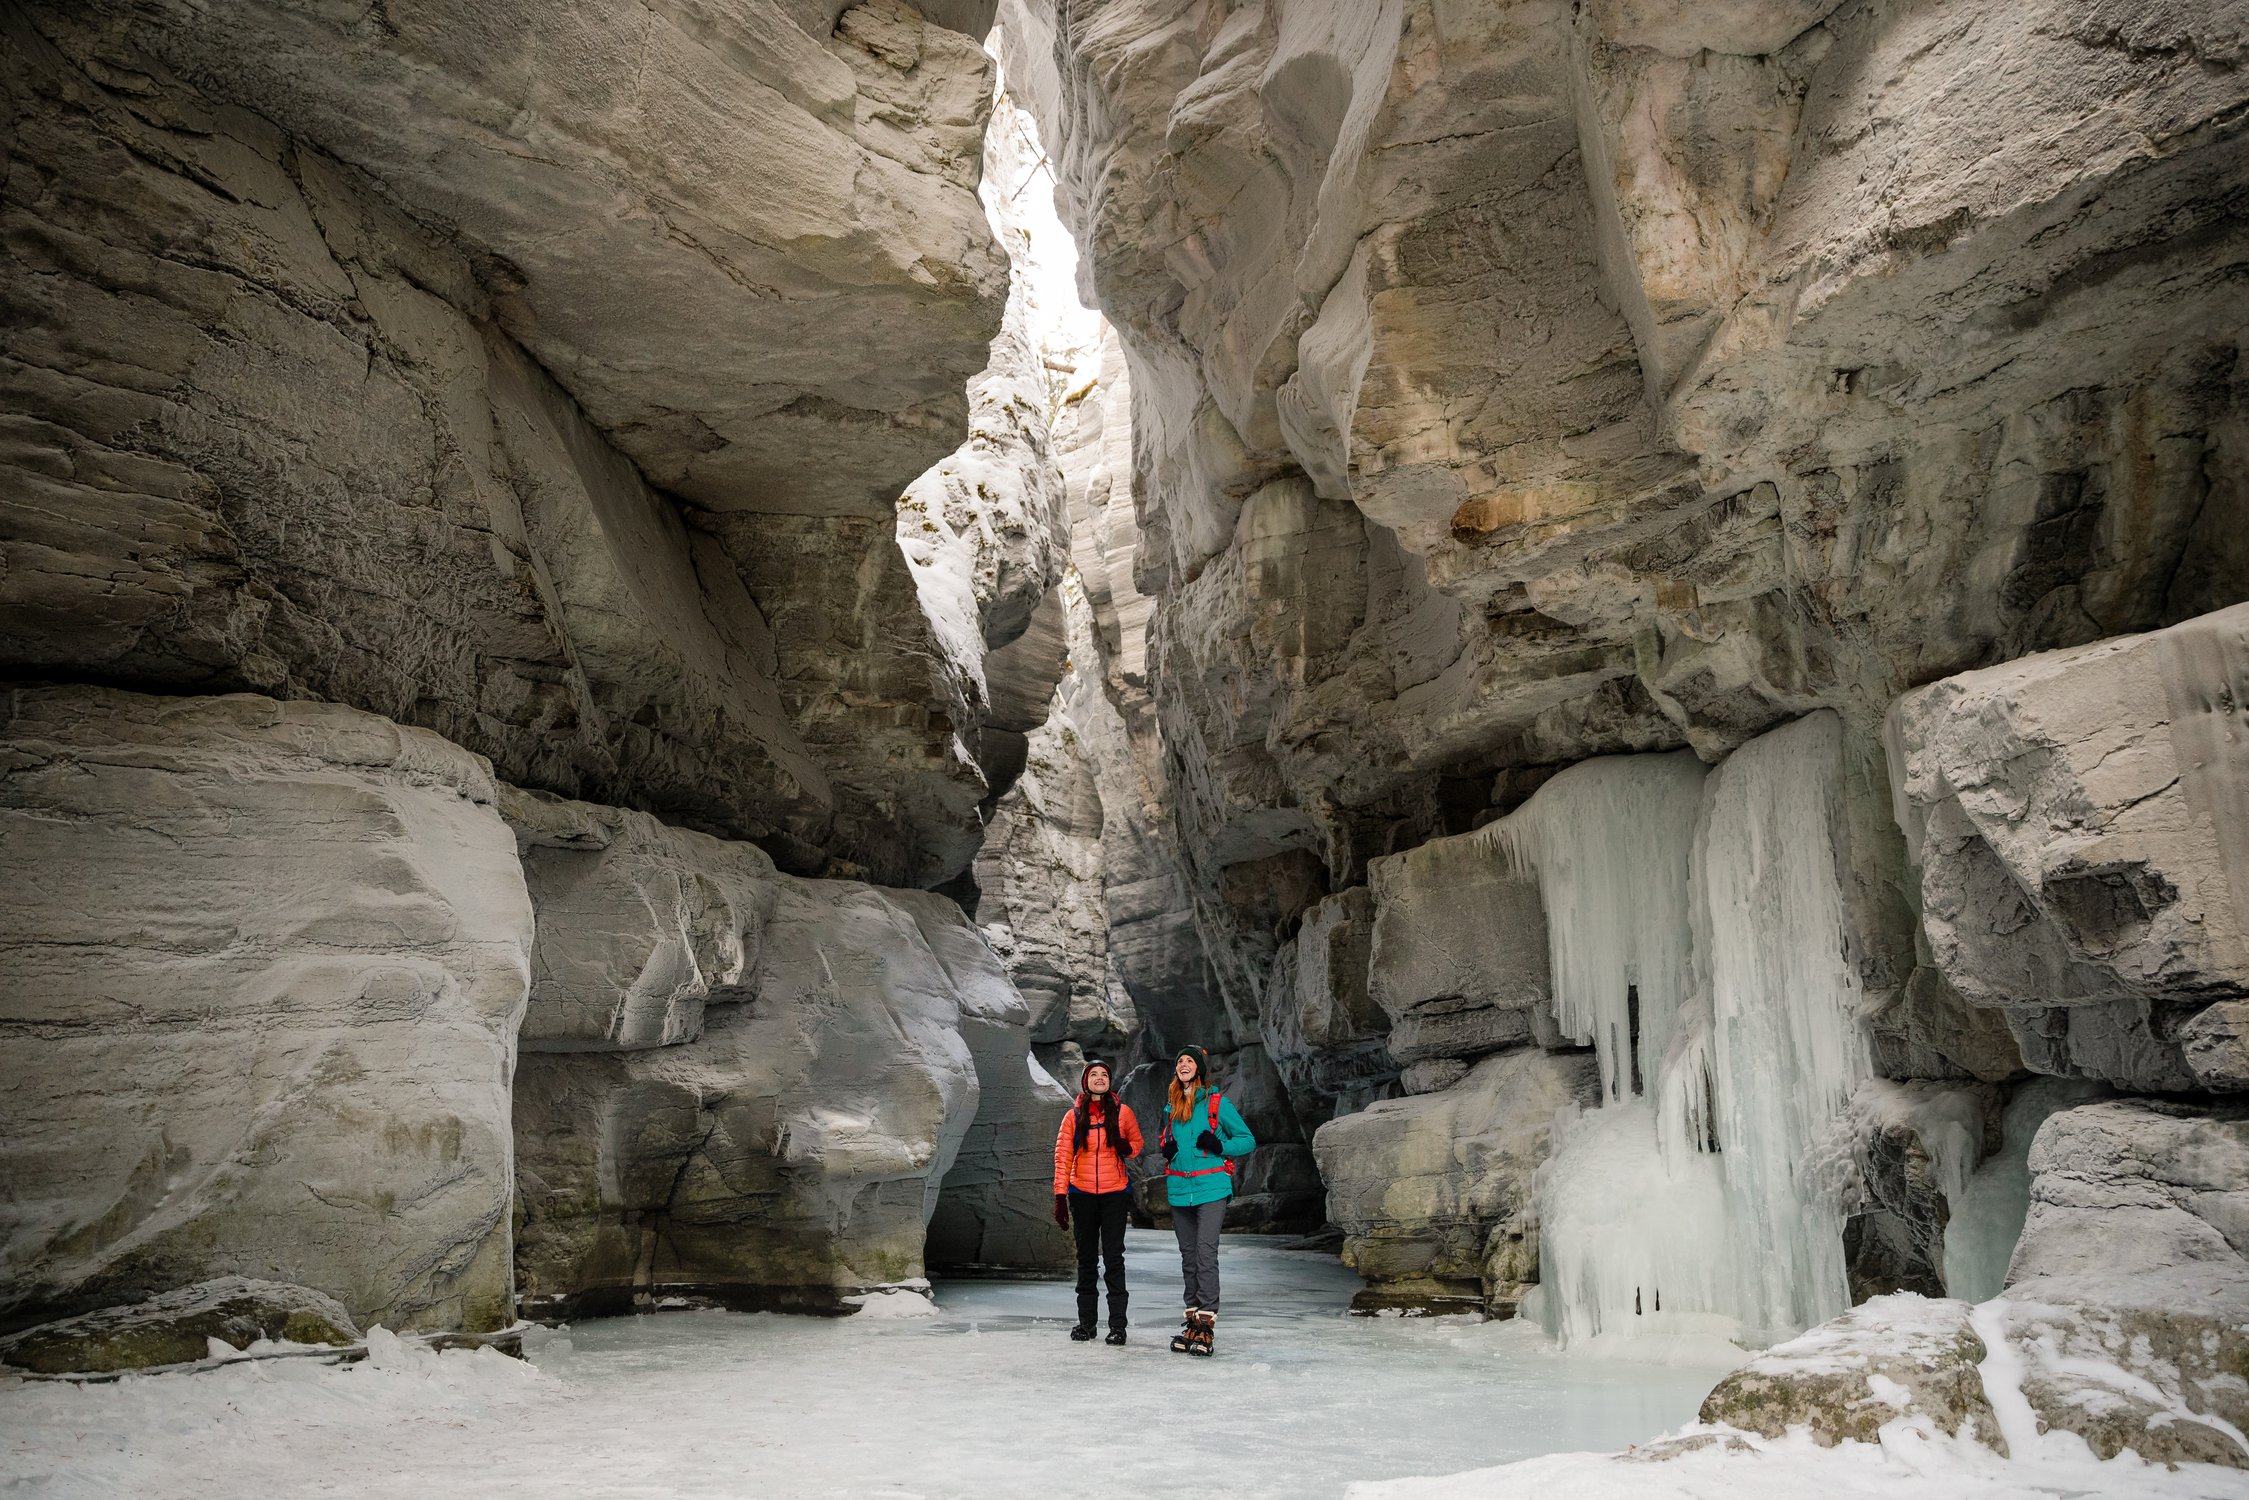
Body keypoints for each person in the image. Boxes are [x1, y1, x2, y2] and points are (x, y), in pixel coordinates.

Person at [1157, 1046, 1255, 1356]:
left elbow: (1247, 1140)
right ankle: (1192, 1322)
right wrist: (1168, 1149)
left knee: (1205, 1254)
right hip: (1179, 1189)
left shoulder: (1217, 1103)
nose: (1183, 1064)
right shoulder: (1171, 1106)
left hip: (1211, 1188)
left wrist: (1219, 1144)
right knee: (1188, 1256)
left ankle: (1206, 1325)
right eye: (1179, 1061)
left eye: (1189, 1060)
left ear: (1199, 1068)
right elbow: (1167, 1141)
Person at [1052, 1057, 1142, 1345]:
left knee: (1114, 1259)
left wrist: (1124, 1146)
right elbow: (1063, 1157)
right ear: (1085, 1081)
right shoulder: (1073, 1116)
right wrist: (1060, 1196)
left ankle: (1118, 1327)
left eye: (1104, 1074)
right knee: (1087, 1260)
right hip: (1082, 1195)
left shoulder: (1123, 1113)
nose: (1100, 1078)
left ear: (1110, 1081)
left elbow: (1137, 1145)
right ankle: (1086, 1324)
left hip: (1115, 1194)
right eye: (1094, 1074)